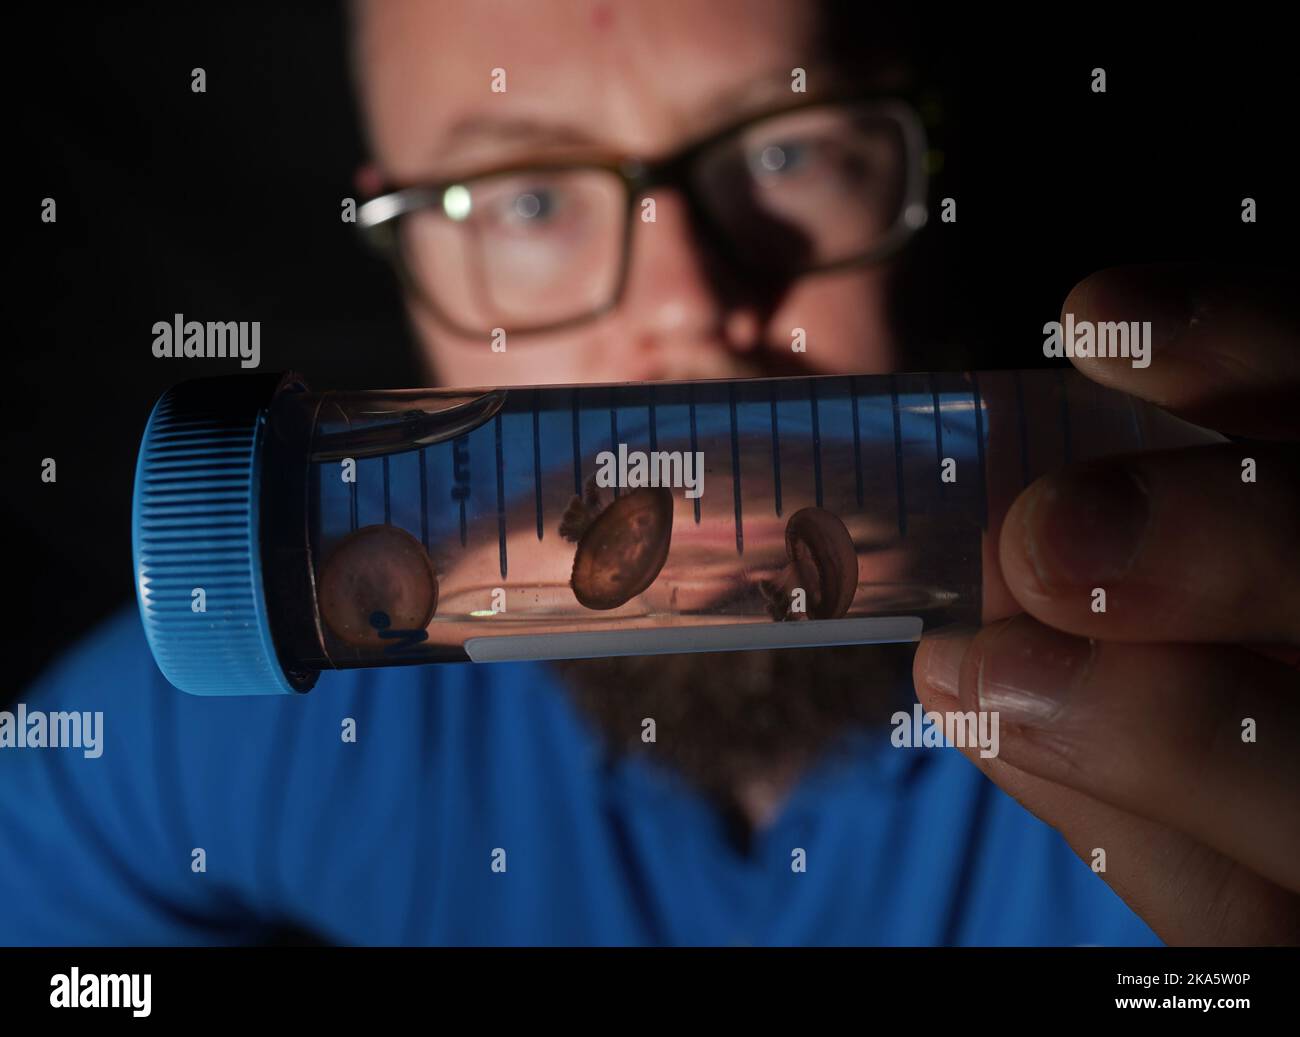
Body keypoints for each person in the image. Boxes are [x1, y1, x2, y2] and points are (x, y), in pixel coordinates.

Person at [2, 0, 1295, 946]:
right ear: (398, 241)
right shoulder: (251, 713)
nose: (686, 311)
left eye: (784, 151)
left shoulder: (1207, 664)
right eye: (522, 199)